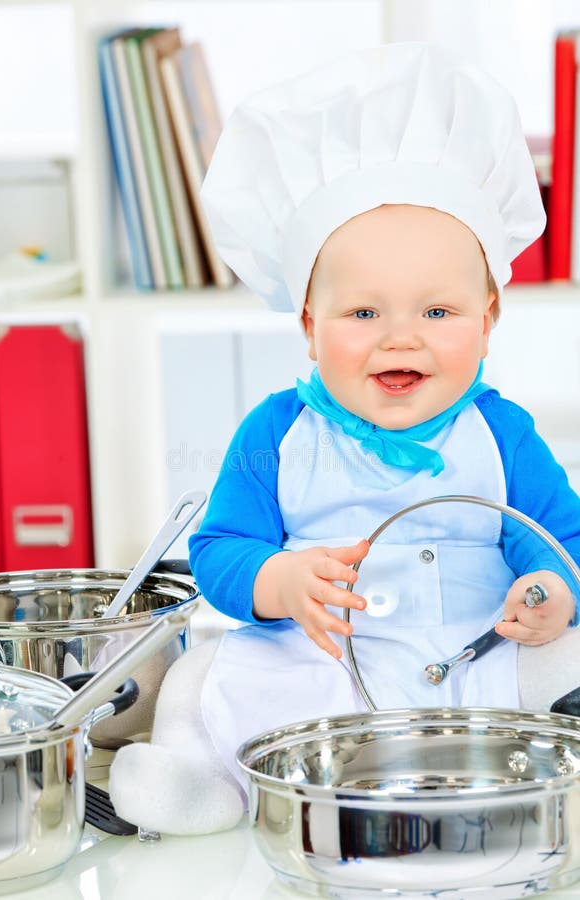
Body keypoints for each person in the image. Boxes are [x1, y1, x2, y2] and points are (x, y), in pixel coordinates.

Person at [109, 42, 580, 836]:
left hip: (475, 657)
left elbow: (559, 538)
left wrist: (552, 593)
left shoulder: (501, 432)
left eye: (438, 313)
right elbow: (223, 550)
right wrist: (281, 582)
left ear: (490, 318)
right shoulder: (276, 433)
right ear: (307, 326)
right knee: (205, 672)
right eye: (363, 314)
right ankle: (199, 778)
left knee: (563, 660)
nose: (401, 339)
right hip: (320, 664)